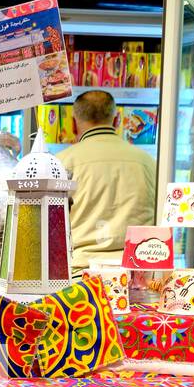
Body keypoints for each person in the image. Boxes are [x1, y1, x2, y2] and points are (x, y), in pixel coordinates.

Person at [58, 89, 157, 271]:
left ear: (73, 124)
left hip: (81, 273)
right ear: (117, 120)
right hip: (137, 272)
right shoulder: (148, 162)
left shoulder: (61, 163)